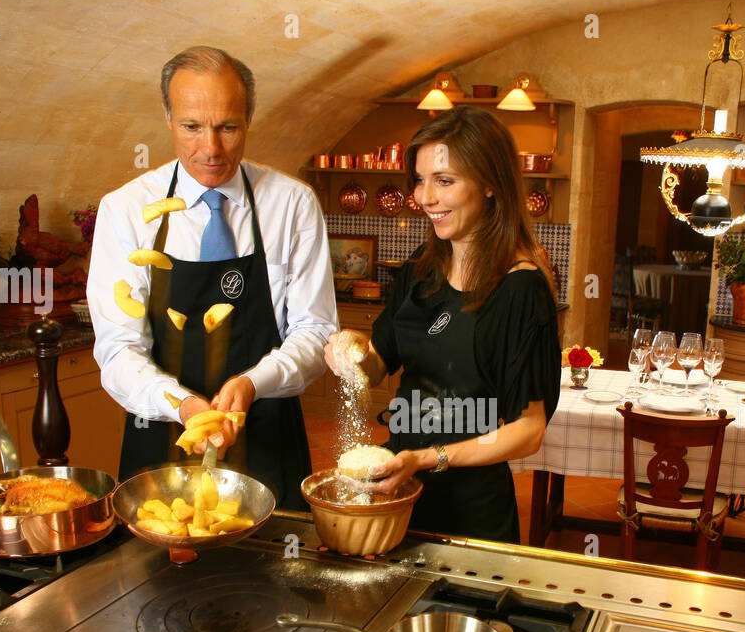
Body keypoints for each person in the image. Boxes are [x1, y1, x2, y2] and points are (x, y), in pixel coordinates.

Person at [87, 46, 337, 509]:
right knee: (158, 575)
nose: (211, 149)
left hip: (268, 432)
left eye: (228, 127)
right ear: (167, 116)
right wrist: (182, 405)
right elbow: (117, 347)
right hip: (161, 436)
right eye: (191, 127)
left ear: (249, 119)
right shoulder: (125, 210)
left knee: (276, 573)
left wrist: (252, 383)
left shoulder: (292, 204)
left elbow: (314, 329)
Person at [324, 106, 561, 544]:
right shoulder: (420, 269)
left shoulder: (521, 291)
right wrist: (350, 349)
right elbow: (377, 363)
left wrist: (427, 458)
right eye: (419, 179)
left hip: (471, 508)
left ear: (490, 184)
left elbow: (528, 430)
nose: (425, 197)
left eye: (444, 180)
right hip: (397, 487)